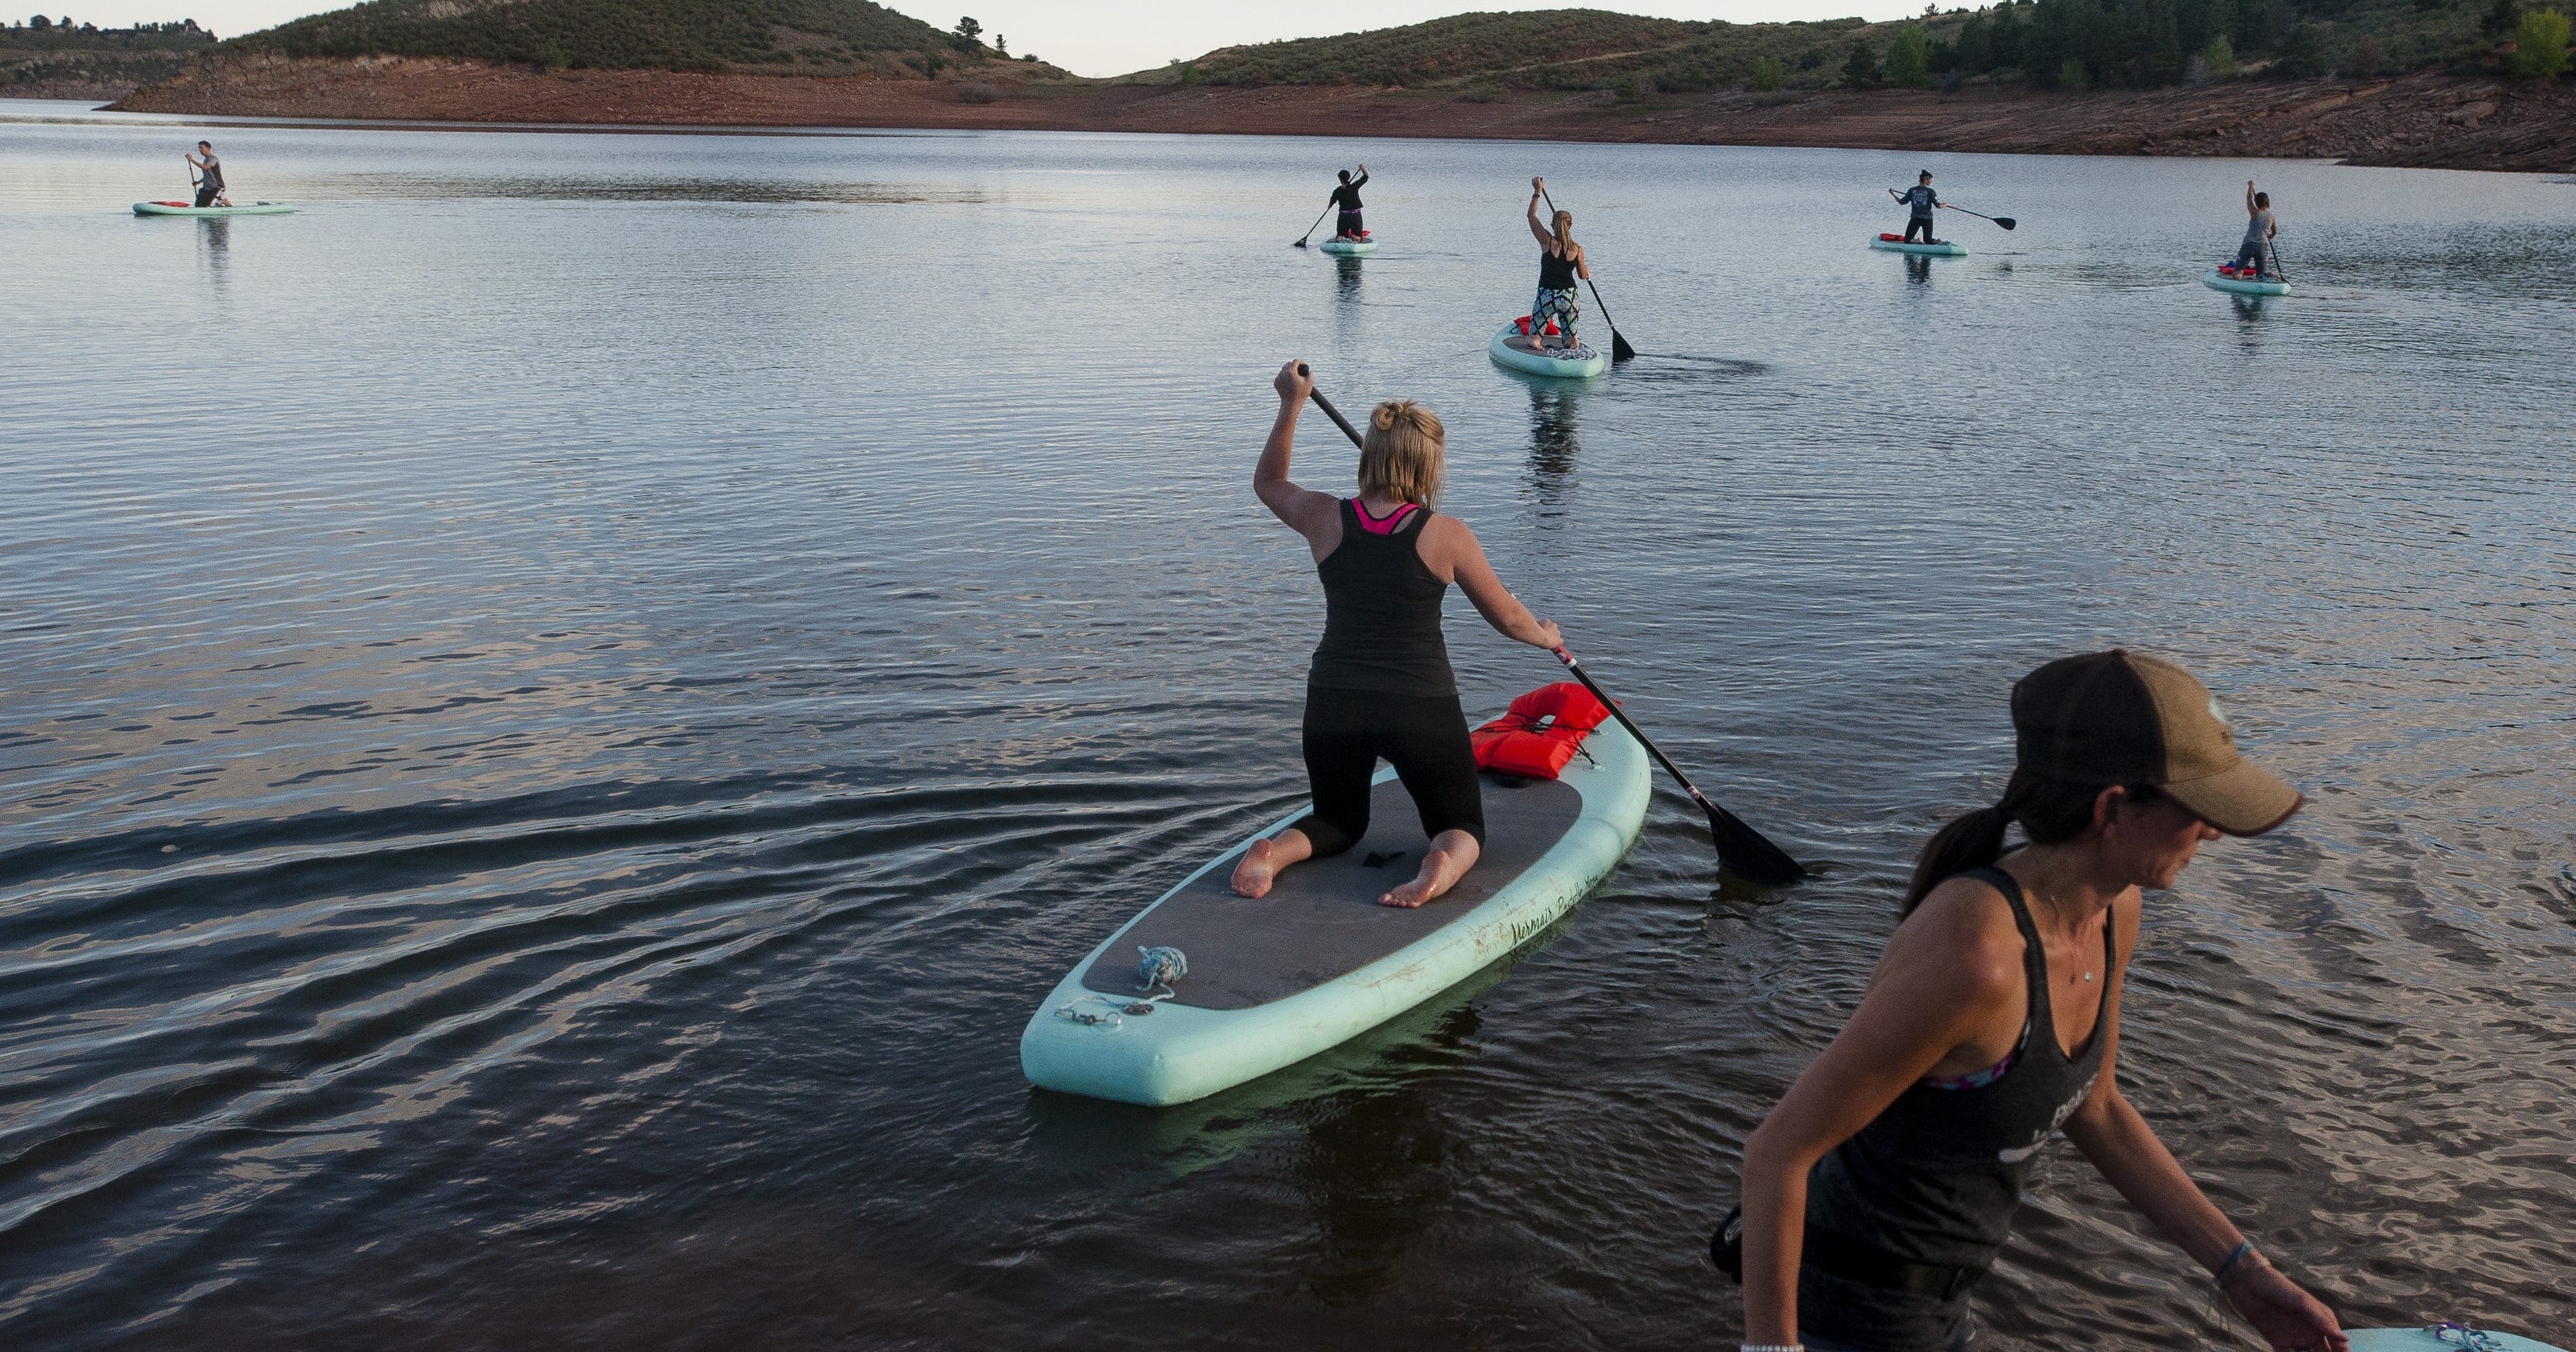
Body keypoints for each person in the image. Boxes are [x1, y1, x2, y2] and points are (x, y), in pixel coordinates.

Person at [1732, 650, 2351, 1352]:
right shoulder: (1975, 962)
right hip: (1843, 1317)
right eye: (2199, 810)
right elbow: (1777, 1154)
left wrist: (2244, 1273)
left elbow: (2096, 1105)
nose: (2212, 831)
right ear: (2111, 810)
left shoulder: (2114, 913)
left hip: (1943, 1304)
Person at [1230, 361, 1563, 909]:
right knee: (1461, 825)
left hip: (1334, 700)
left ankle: (1274, 851)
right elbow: (1507, 618)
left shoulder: (1323, 517)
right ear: (1430, 466)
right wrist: (1546, 637)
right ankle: (1440, 862)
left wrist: (1291, 404)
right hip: (1418, 705)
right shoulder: (1447, 535)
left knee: (1337, 820)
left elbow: (1268, 484)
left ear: (1370, 458)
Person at [1525, 177, 1591, 354]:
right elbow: (1583, 276)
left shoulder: (1546, 241)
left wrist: (1537, 192)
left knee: (1534, 337)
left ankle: (1536, 341)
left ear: (1552, 225)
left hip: (1547, 295)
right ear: (1570, 226)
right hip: (1569, 297)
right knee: (1570, 338)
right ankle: (1573, 343)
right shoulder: (1577, 249)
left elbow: (1531, 216)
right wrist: (1586, 270)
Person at [2234, 179, 2279, 280]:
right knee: (2261, 275)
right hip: (2262, 247)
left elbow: (2249, 200)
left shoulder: (2255, 212)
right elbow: (2275, 232)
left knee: (2237, 270)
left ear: (2257, 203)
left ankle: (2240, 272)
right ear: (2268, 202)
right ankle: (2270, 275)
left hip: (2248, 245)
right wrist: (2270, 236)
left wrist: (2251, 186)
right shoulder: (2272, 217)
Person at [1889, 170, 1942, 245]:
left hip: (1918, 218)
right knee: (1927, 241)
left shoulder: (1912, 190)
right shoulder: (1931, 191)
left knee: (1908, 240)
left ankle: (1920, 241)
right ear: (1925, 180)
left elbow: (1901, 202)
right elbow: (1938, 205)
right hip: (1925, 218)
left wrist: (1892, 194)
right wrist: (1945, 205)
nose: (1931, 182)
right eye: (1931, 180)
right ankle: (1932, 241)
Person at [1328, 165, 1370, 241]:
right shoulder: (1354, 186)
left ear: (1340, 179)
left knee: (1341, 233)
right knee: (1358, 234)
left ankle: (1340, 237)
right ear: (1348, 178)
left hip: (1343, 215)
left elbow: (1332, 202)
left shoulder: (1337, 191)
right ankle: (1357, 237)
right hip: (1355, 214)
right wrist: (1363, 169)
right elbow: (1366, 177)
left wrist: (1329, 206)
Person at [187, 141, 229, 208]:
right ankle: (220, 201)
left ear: (208, 148)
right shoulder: (206, 160)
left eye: (202, 148)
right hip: (207, 188)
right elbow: (208, 175)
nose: (200, 150)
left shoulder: (213, 159)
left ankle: (224, 201)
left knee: (211, 206)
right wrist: (198, 182)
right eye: (199, 148)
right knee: (198, 206)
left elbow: (205, 167)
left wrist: (191, 160)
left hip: (217, 187)